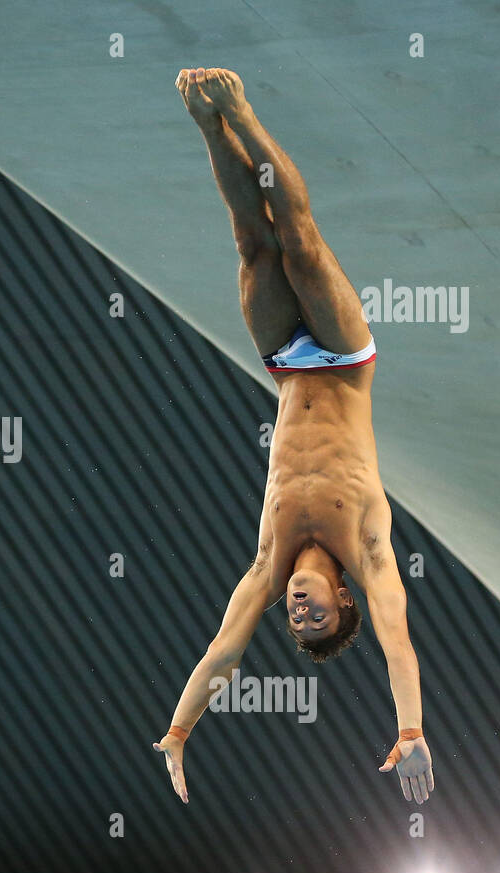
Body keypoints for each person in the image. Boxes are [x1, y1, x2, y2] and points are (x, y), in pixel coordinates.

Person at [153, 70, 434, 804]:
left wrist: (180, 732)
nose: (301, 615)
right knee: (302, 247)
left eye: (297, 624)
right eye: (321, 619)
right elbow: (397, 644)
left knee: (254, 248)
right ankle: (240, 111)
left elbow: (225, 650)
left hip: (286, 364)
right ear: (345, 599)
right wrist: (409, 731)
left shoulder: (268, 570)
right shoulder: (368, 554)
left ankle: (208, 126)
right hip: (342, 361)